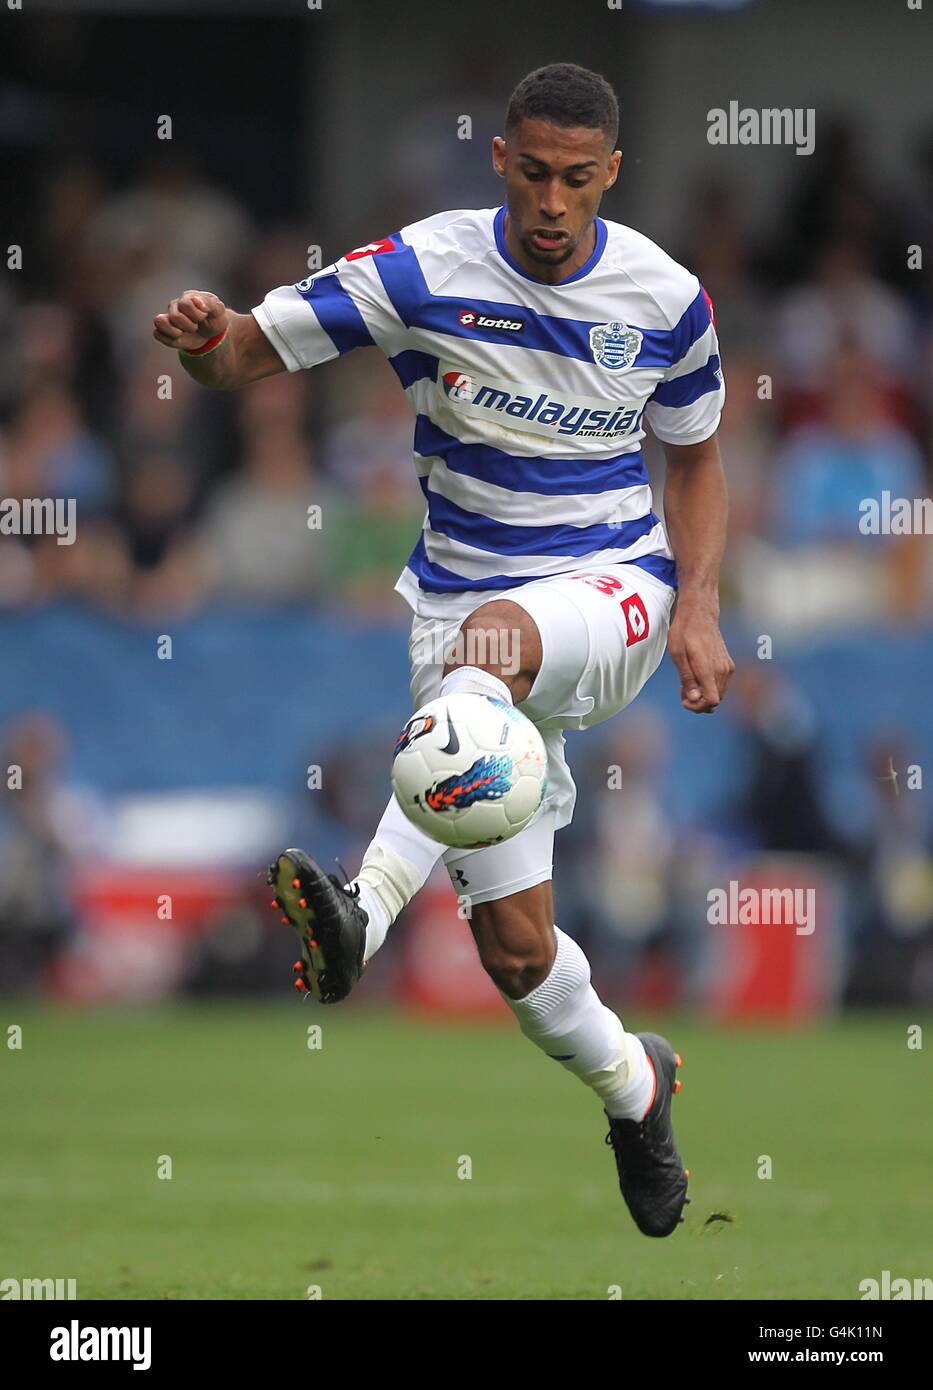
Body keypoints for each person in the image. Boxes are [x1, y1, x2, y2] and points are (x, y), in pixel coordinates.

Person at [152, 63, 734, 1238]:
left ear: (611, 174)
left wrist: (702, 603)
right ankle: (637, 1085)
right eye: (533, 173)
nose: (554, 202)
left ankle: (361, 911)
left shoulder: (666, 299)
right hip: (455, 618)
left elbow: (698, 460)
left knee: (497, 645)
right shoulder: (426, 269)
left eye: (578, 180)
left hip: (604, 589)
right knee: (518, 959)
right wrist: (207, 343)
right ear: (500, 160)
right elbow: (245, 356)